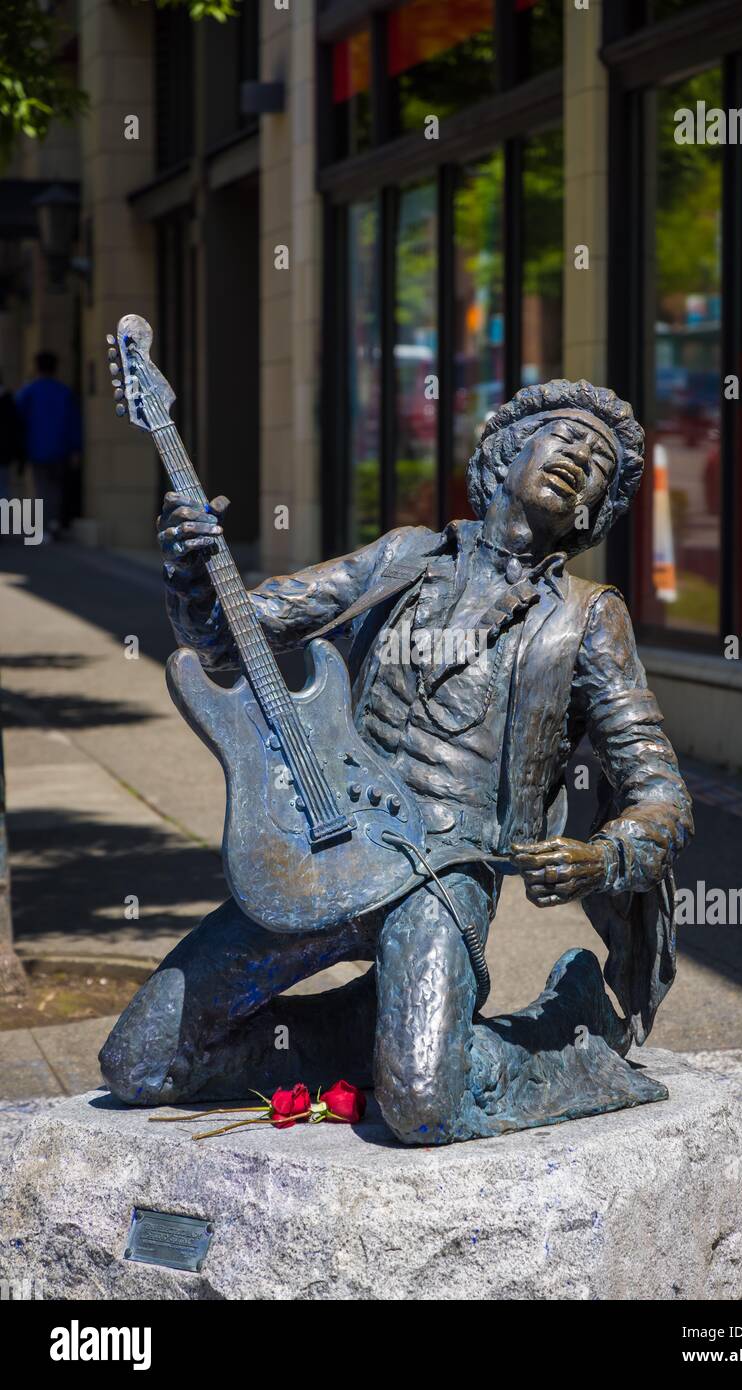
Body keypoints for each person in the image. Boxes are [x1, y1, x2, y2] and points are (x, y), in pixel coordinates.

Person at [100, 379, 693, 1145]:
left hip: (443, 870)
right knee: (139, 1065)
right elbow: (231, 633)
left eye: (598, 464)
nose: (578, 460)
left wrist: (601, 856)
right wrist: (189, 570)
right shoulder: (404, 556)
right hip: (329, 841)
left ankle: (563, 1034)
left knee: (422, 1107)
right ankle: (369, 1030)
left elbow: (659, 790)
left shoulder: (587, 618)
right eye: (563, 439)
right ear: (508, 454)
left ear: (590, 511)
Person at [15, 351, 81, 540]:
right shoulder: (64, 392)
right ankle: (54, 522)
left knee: (41, 488)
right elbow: (73, 422)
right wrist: (76, 448)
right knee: (56, 488)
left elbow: (18, 417)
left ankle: (45, 527)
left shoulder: (30, 391)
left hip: (36, 447)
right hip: (61, 448)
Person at [0, 372, 24, 503]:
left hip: (4, 453)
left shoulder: (10, 401)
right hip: (4, 453)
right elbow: (16, 429)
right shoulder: (9, 401)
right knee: (3, 486)